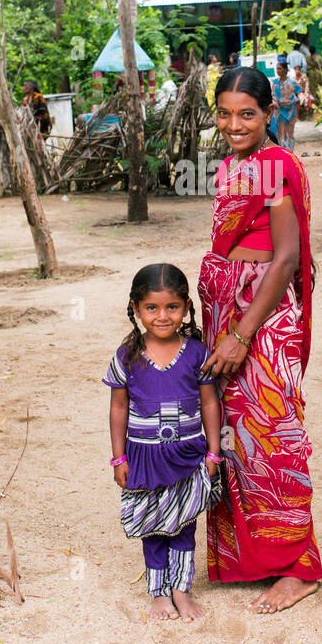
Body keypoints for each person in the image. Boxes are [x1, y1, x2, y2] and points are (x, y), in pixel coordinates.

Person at [198, 66, 322, 613]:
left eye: (246, 114)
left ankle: (299, 567)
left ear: (270, 113)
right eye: (225, 114)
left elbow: (286, 257)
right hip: (227, 313)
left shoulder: (275, 166)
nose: (234, 124)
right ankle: (256, 557)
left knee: (272, 435)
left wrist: (243, 335)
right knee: (234, 438)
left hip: (260, 321)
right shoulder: (232, 167)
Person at [104, 263, 223, 623]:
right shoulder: (127, 355)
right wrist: (118, 458)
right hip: (143, 457)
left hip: (188, 455)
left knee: (185, 523)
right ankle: (158, 592)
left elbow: (209, 403)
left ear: (186, 307)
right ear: (136, 308)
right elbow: (118, 408)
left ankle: (181, 589)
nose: (162, 316)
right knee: (151, 525)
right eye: (151, 307)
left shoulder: (198, 353)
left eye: (172, 307)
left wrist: (214, 452)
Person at [269, 53, 301, 149]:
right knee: (279, 134)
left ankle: (289, 153)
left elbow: (299, 93)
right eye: (277, 69)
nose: (278, 71)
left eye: (280, 69)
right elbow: (272, 95)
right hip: (278, 111)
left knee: (289, 134)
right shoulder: (274, 82)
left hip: (290, 112)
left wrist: (293, 101)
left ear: (285, 70)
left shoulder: (292, 83)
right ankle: (281, 153)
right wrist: (275, 102)